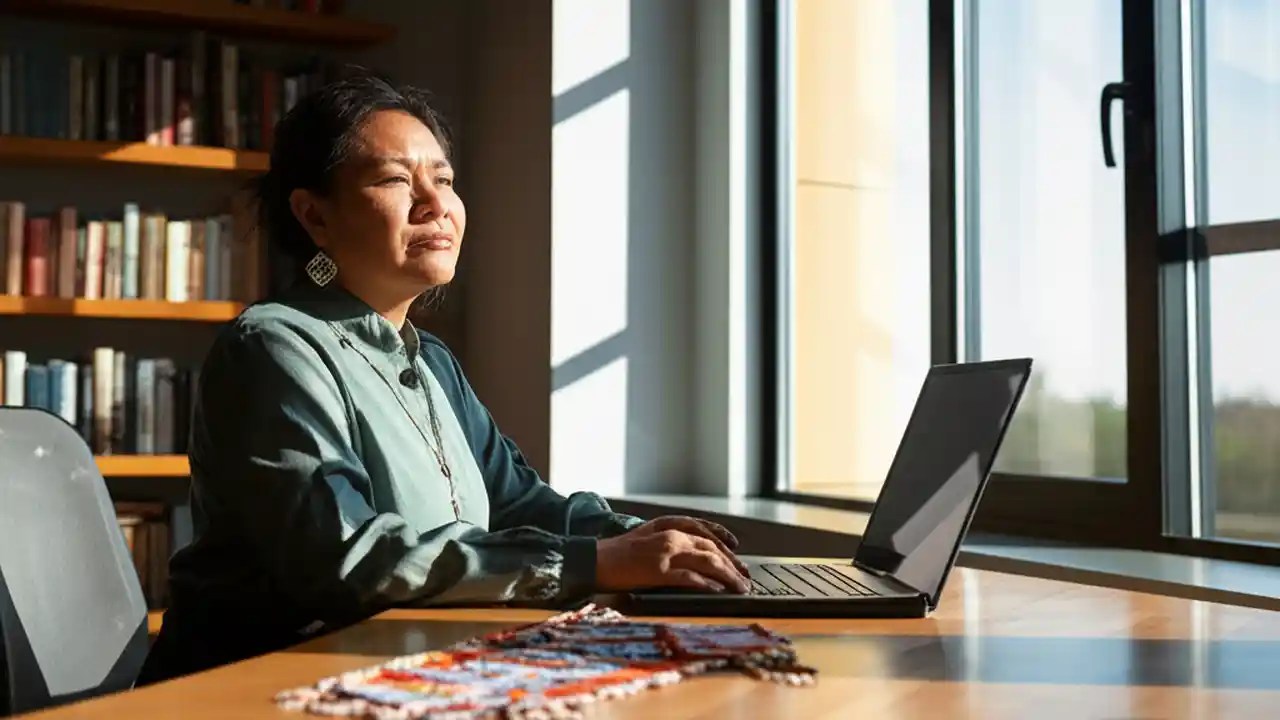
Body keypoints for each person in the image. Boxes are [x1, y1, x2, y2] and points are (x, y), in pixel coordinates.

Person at [136, 74, 750, 684]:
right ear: (314, 216)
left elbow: (516, 501)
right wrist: (595, 563)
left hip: (409, 667)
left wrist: (637, 538)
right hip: (264, 684)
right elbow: (347, 557)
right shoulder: (274, 348)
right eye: (397, 180)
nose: (435, 203)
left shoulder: (429, 360)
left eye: (445, 180)